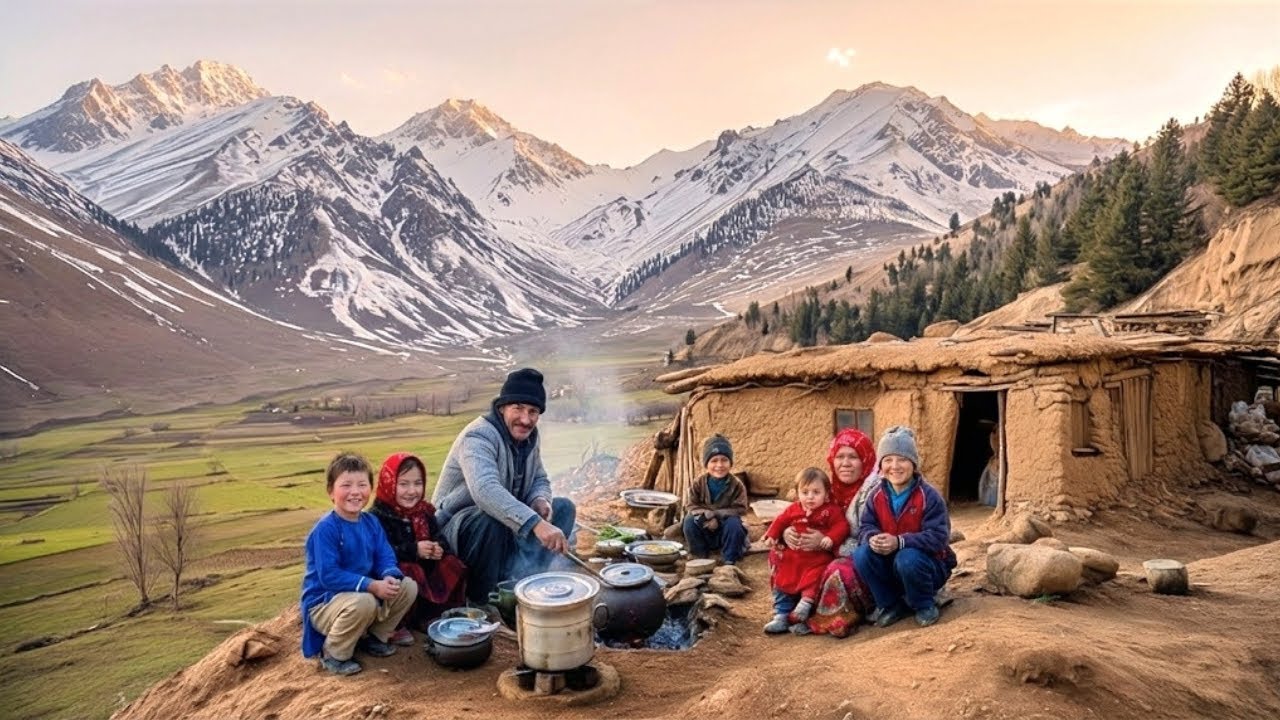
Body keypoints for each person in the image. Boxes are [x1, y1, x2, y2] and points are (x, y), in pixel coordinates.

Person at [433, 368, 575, 604]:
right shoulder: (479, 436)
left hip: (504, 527)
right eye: (518, 408)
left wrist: (540, 501)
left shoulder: (529, 436)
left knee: (563, 508)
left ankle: (524, 579)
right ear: (502, 408)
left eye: (533, 411)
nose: (526, 419)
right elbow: (485, 490)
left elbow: (539, 477)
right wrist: (535, 524)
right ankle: (482, 600)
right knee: (490, 519)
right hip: (457, 533)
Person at [300, 452, 418, 676]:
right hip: (325, 602)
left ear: (370, 489)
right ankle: (334, 653)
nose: (355, 492)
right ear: (330, 492)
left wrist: (388, 574)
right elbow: (330, 576)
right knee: (365, 602)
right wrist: (371, 585)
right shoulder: (326, 529)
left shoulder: (371, 522)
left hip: (359, 596)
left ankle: (375, 637)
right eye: (346, 485)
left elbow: (384, 554)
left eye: (362, 485)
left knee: (407, 586)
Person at [854, 426, 957, 628]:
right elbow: (866, 526)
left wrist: (900, 542)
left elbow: (939, 537)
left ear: (913, 464)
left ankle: (924, 604)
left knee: (907, 558)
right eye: (888, 460)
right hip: (892, 566)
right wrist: (872, 537)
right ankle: (891, 605)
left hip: (927, 566)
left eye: (902, 459)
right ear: (880, 465)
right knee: (861, 554)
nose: (895, 466)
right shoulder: (875, 496)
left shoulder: (929, 497)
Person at [369, 452, 467, 641]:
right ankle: (398, 622)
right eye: (403, 484)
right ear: (389, 484)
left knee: (452, 564)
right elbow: (380, 553)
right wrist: (415, 550)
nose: (412, 491)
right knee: (409, 570)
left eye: (417, 483)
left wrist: (438, 548)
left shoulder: (425, 511)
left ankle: (433, 615)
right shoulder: (378, 516)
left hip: (425, 572)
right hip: (394, 572)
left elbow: (440, 538)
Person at [797, 427, 879, 637]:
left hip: (862, 555)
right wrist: (788, 533)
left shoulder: (875, 491)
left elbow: (872, 537)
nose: (845, 463)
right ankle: (788, 610)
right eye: (840, 456)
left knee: (838, 570)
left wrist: (830, 542)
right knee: (784, 554)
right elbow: (799, 513)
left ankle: (839, 619)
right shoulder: (825, 490)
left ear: (866, 460)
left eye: (853, 457)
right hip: (824, 551)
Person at [762, 467, 849, 635]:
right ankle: (781, 615)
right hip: (794, 557)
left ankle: (805, 607)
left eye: (816, 492)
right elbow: (779, 522)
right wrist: (772, 536)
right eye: (805, 492)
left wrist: (830, 538)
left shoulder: (830, 511)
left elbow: (841, 526)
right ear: (797, 493)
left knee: (815, 577)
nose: (810, 497)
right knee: (782, 578)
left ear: (826, 494)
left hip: (817, 557)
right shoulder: (793, 509)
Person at [682, 434, 750, 565]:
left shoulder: (736, 485)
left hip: (725, 528)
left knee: (735, 525)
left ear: (730, 463)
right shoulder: (699, 483)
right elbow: (691, 505)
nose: (719, 465)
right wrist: (706, 516)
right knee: (689, 521)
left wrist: (717, 516)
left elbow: (740, 509)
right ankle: (699, 557)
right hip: (705, 525)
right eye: (714, 461)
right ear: (706, 464)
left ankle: (729, 559)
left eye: (724, 460)